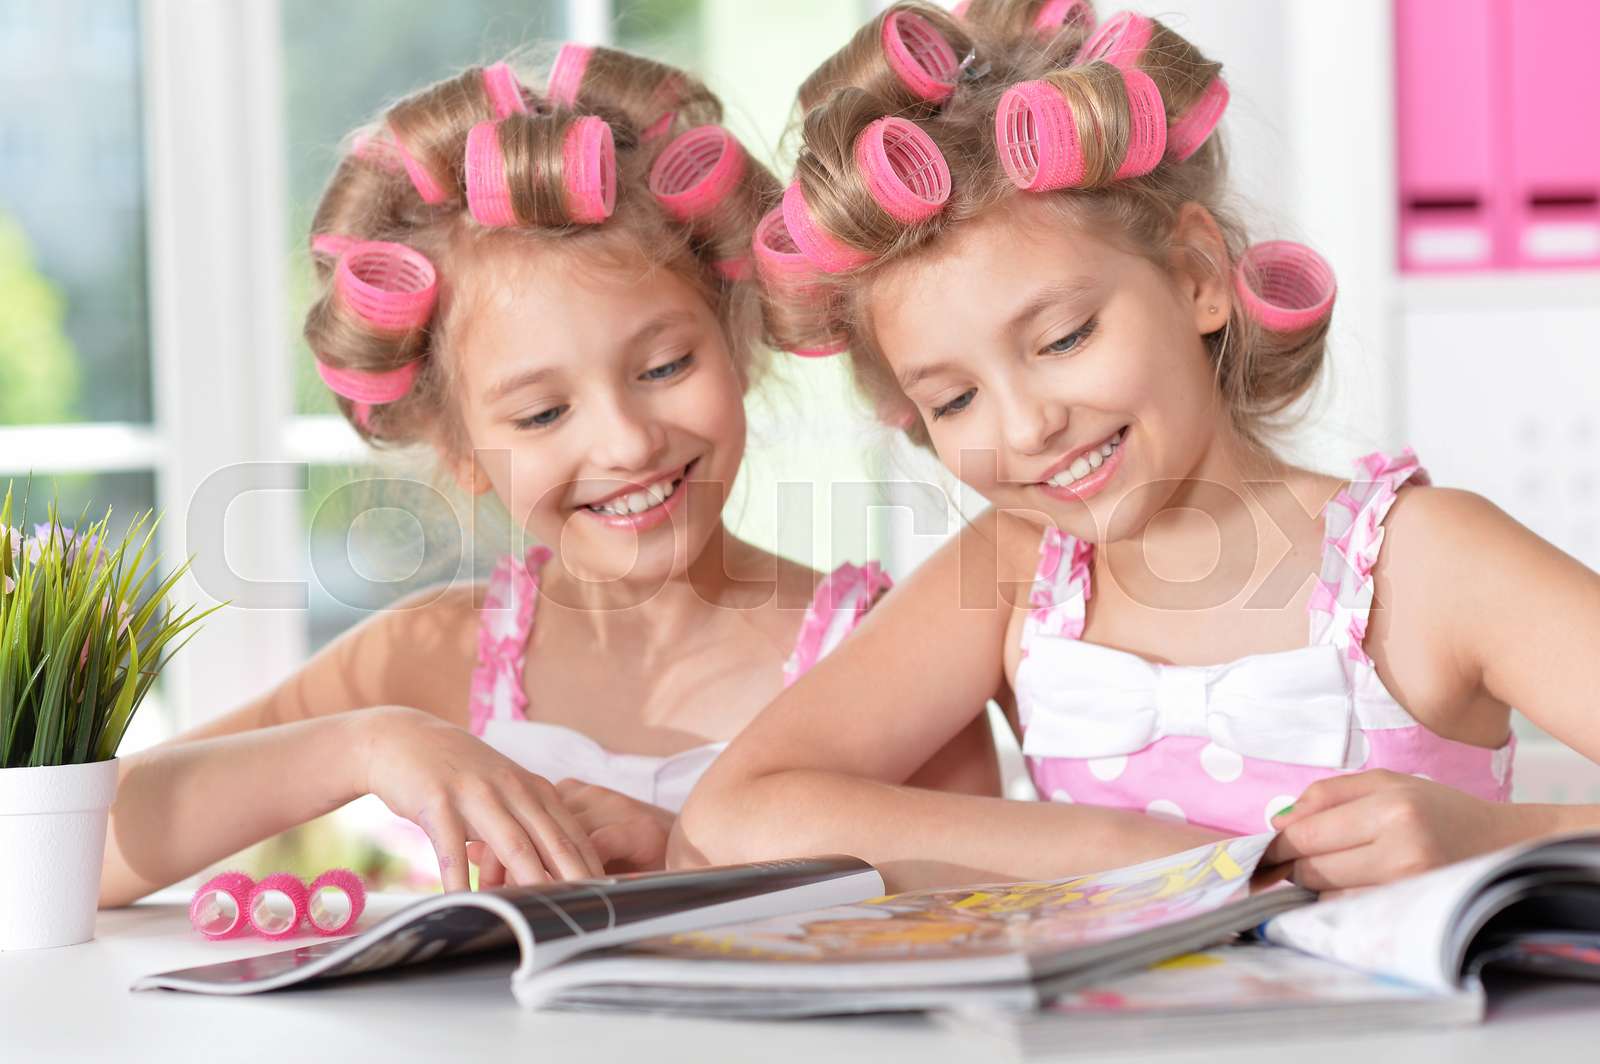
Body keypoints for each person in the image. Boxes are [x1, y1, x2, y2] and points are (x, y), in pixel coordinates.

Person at [674, 1, 1600, 893]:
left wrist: (1502, 842)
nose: (1030, 427)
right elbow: (733, 816)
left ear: (1198, 276)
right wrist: (1135, 849)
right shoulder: (1012, 575)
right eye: (955, 399)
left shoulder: (1429, 560)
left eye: (1066, 339)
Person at [98, 43, 997, 907]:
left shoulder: (888, 659)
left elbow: (987, 912)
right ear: (462, 454)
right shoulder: (426, 657)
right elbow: (81, 853)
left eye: (663, 368)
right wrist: (363, 746)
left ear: (737, 347)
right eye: (541, 414)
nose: (626, 444)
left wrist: (696, 856)